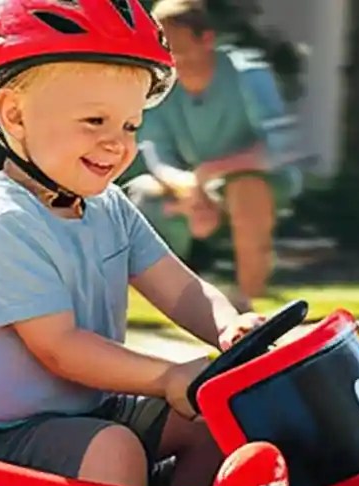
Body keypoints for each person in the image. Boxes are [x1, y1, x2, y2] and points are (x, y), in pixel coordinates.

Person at [0, 0, 264, 486]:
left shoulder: (108, 206)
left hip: (89, 410)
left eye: (130, 126)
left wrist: (227, 326)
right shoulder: (4, 223)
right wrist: (169, 376)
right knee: (113, 448)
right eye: (94, 121)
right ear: (14, 114)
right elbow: (61, 349)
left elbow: (177, 287)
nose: (118, 144)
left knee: (219, 416)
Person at [121, 0, 302, 313]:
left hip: (258, 179)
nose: (168, 56)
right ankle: (160, 295)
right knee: (138, 195)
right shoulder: (159, 85)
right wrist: (192, 191)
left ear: (205, 39)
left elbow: (277, 148)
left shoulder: (248, 74)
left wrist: (210, 173)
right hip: (196, 184)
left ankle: (250, 300)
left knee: (245, 190)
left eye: (174, 45)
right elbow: (158, 155)